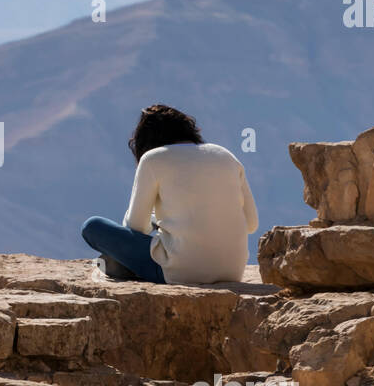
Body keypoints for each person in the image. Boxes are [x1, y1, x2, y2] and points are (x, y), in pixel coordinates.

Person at [81, 105, 258, 284]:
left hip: (181, 273)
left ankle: (124, 265)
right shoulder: (226, 155)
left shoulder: (153, 159)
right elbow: (251, 224)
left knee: (92, 226)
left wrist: (156, 221)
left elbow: (136, 227)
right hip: (232, 272)